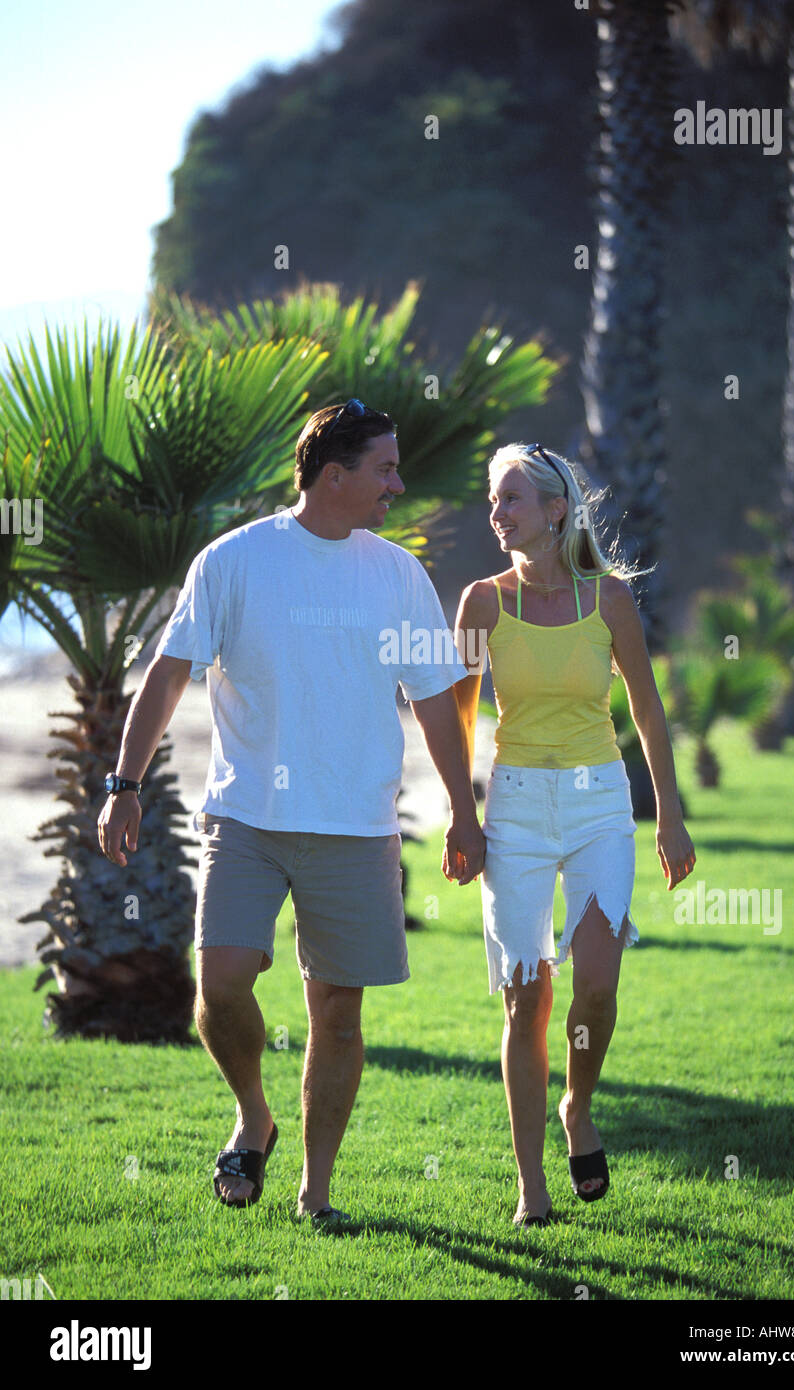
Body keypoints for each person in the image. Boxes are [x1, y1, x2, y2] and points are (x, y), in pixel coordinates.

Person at [97, 400, 485, 1221]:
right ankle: (253, 1113)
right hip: (246, 819)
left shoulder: (396, 573)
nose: (399, 483)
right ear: (333, 475)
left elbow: (434, 703)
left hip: (356, 826)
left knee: (337, 1016)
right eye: (385, 467)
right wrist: (124, 783)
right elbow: (170, 674)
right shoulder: (234, 561)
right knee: (222, 983)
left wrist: (462, 810)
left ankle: (316, 1192)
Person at [453, 441, 695, 1226]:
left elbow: (648, 713)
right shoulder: (480, 603)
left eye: (511, 499)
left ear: (555, 510)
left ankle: (578, 1106)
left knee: (594, 980)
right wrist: (462, 815)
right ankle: (532, 1188)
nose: (497, 513)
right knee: (526, 1001)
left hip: (598, 803)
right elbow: (454, 719)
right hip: (516, 806)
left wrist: (670, 812)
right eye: (493, 500)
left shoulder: (610, 600)